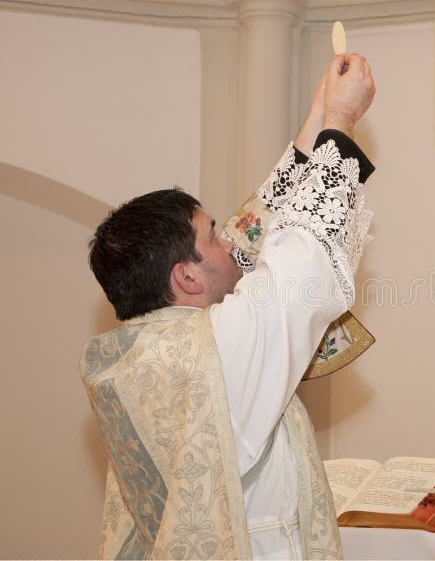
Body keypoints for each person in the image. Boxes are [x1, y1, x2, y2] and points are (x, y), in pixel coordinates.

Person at [80, 53, 376, 560]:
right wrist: (341, 126)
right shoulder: (210, 351)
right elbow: (298, 266)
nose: (230, 242)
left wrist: (316, 117)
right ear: (186, 276)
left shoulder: (152, 351)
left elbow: (254, 233)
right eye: (211, 233)